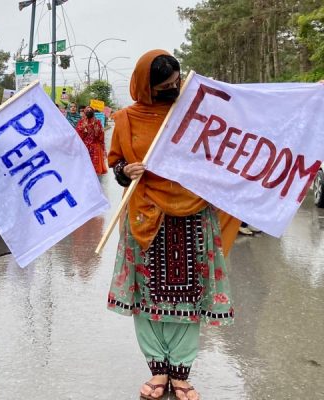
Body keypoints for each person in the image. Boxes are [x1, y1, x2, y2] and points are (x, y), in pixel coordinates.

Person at [105, 50, 240, 400]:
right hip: (145, 217)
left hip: (194, 215)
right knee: (147, 298)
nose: (173, 89)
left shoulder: (196, 114)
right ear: (145, 87)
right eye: (164, 86)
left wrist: (306, 97)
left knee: (190, 297)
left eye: (176, 82)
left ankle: (181, 372)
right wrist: (125, 171)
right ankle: (158, 371)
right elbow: (116, 163)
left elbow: (240, 131)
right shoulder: (125, 120)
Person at [76, 106, 108, 175]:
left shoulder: (97, 122)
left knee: (94, 172)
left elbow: (101, 136)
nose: (89, 111)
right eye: (87, 110)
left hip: (95, 149)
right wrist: (84, 128)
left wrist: (96, 129)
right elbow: (78, 135)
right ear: (84, 112)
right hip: (84, 148)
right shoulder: (81, 122)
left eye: (90, 110)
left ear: (93, 112)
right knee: (84, 170)